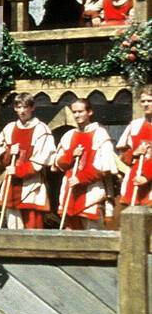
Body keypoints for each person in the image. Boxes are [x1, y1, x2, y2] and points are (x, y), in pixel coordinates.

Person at [0, 94, 56, 229]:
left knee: (33, 226)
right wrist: (9, 153)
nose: (22, 111)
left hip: (31, 186)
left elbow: (40, 161)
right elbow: (1, 160)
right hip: (11, 186)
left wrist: (18, 171)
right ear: (15, 108)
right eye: (19, 107)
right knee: (13, 226)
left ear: (32, 108)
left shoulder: (41, 129)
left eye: (25, 107)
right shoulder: (9, 129)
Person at [52, 98, 118, 229]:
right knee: (70, 233)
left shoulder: (100, 134)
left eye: (80, 111)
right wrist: (71, 154)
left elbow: (104, 167)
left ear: (89, 112)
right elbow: (58, 164)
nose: (77, 115)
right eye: (74, 112)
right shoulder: (69, 135)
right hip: (70, 192)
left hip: (92, 192)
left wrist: (81, 178)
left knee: (92, 234)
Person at [117, 86, 152, 207]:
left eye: (149, 101)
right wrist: (134, 153)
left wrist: (147, 177)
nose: (146, 104)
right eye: (143, 101)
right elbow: (122, 157)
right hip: (135, 181)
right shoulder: (135, 126)